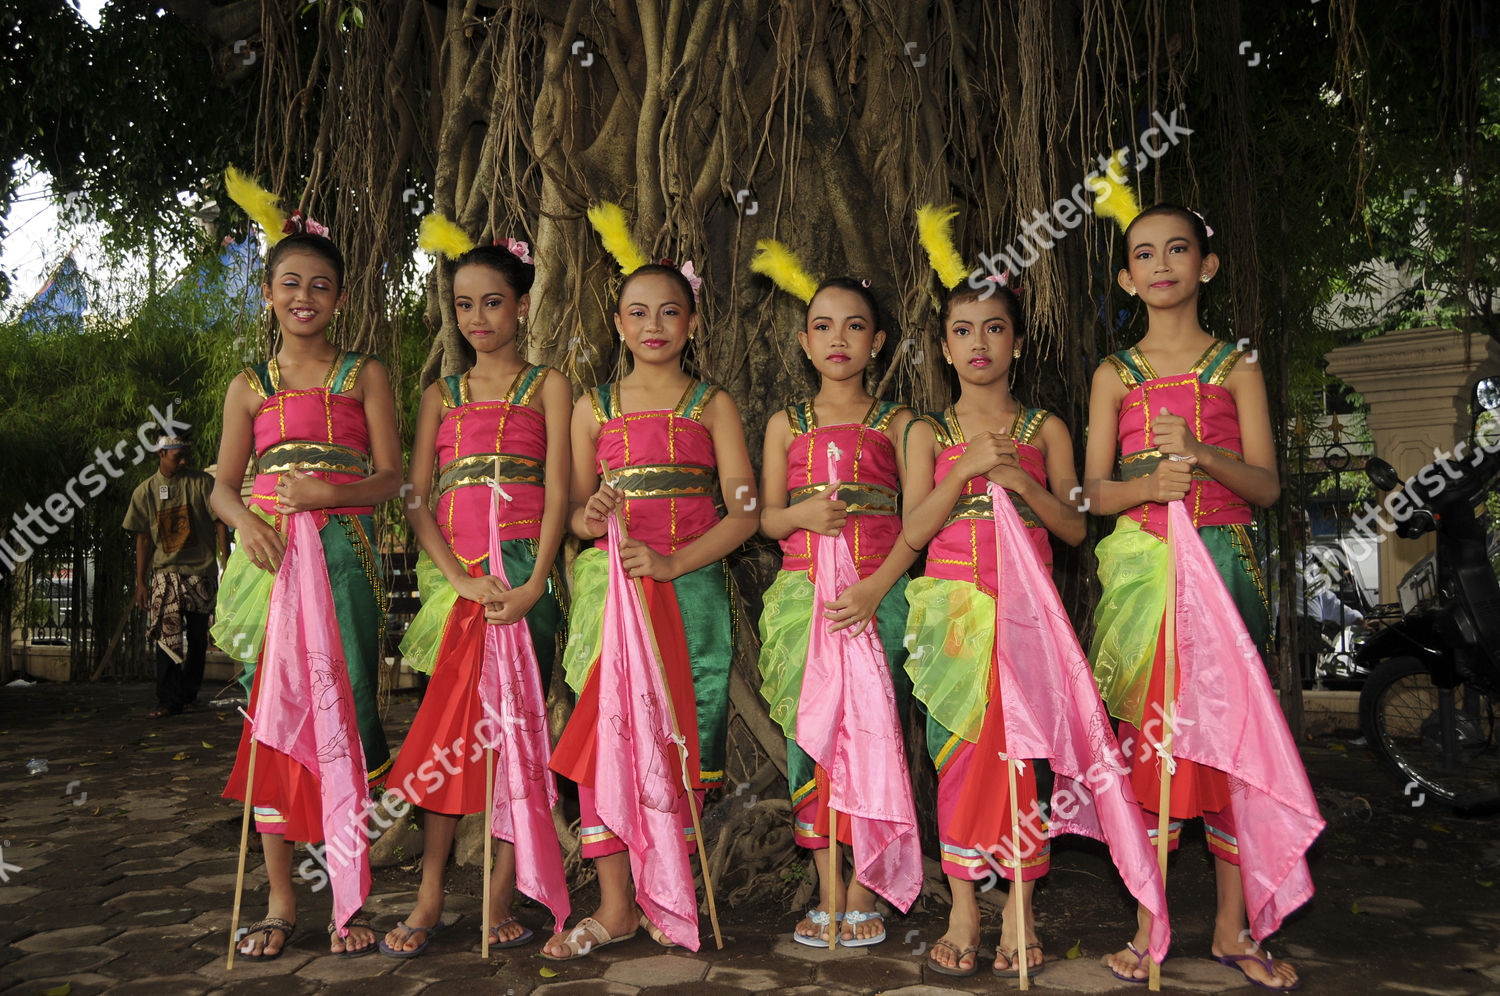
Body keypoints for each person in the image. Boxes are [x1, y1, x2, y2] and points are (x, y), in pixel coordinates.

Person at [1084, 203, 1311, 990]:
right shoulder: (1114, 374)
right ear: (1126, 277)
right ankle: (1149, 926)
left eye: (1178, 249)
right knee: (1155, 743)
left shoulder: (1237, 365)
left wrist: (1203, 455)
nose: (1162, 265)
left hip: (1225, 565)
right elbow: (1091, 496)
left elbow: (1268, 486)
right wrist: (1149, 483)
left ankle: (1232, 927)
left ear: (1206, 265)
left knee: (1229, 745)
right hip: (1145, 575)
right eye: (1144, 254)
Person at [544, 246, 759, 958]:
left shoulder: (713, 403)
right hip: (611, 594)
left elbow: (745, 515)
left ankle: (668, 887)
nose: (654, 325)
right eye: (638, 313)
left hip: (689, 588)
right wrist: (592, 512)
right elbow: (575, 514)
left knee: (681, 736)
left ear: (692, 322)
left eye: (670, 311)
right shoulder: (589, 408)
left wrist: (670, 561)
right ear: (618, 323)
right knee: (605, 737)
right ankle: (615, 905)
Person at [212, 170, 403, 960]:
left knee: (346, 716)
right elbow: (220, 486)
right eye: (289, 283)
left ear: (340, 300)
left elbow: (394, 478)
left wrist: (332, 491)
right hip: (269, 570)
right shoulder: (248, 386)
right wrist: (247, 522)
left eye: (320, 286)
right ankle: (282, 899)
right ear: (266, 294)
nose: (304, 297)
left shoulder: (365, 374)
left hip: (346, 559)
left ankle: (348, 899)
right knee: (277, 723)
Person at [379, 222, 571, 958]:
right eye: (464, 305)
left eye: (493, 303)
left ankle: (498, 895)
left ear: (521, 306)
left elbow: (557, 492)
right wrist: (457, 578)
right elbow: (417, 498)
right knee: (446, 739)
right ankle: (428, 893)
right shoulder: (440, 393)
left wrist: (531, 585)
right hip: (456, 582)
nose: (477, 320)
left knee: (515, 733)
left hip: (524, 576)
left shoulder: (549, 385)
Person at [902, 262, 1087, 979]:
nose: (979, 343)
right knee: (956, 756)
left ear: (1016, 342)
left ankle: (1019, 906)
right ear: (944, 348)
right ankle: (962, 907)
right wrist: (961, 472)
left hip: (1024, 616)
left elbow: (1073, 528)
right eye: (962, 331)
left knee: (1022, 761)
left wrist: (1021, 482)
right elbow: (913, 530)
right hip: (950, 615)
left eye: (994, 328)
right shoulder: (926, 431)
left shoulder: (1046, 429)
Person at [755, 270, 919, 948]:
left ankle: (865, 885)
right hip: (805, 603)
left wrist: (878, 588)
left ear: (877, 342)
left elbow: (919, 521)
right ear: (803, 342)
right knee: (814, 739)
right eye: (823, 326)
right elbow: (765, 517)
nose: (838, 338)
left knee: (875, 736)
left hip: (878, 597)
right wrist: (799, 513)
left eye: (854, 326)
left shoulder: (900, 423)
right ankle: (826, 883)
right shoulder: (784, 424)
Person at [123, 434, 228, 717]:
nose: (183, 461)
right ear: (160, 453)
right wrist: (141, 582)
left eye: (185, 456)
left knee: (196, 638)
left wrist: (226, 562)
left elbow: (220, 523)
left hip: (200, 573)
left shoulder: (203, 483)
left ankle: (188, 691)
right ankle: (168, 700)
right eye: (176, 456)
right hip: (164, 573)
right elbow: (143, 539)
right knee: (166, 636)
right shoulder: (145, 491)